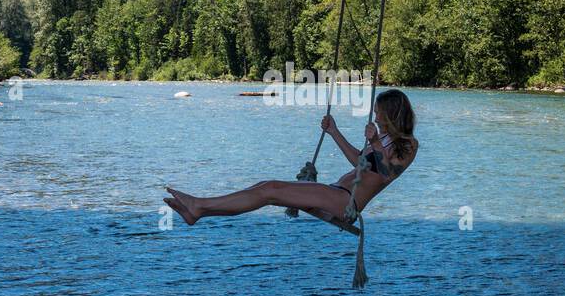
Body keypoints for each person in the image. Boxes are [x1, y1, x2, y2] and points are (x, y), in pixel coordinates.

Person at [164, 89, 418, 226]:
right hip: (336, 192)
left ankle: (199, 206)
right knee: (266, 188)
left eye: (378, 113)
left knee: (270, 189)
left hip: (345, 203)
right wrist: (334, 132)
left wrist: (374, 142)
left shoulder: (408, 144)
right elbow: (359, 162)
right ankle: (200, 211)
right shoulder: (382, 139)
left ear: (392, 114)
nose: (374, 117)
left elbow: (386, 175)